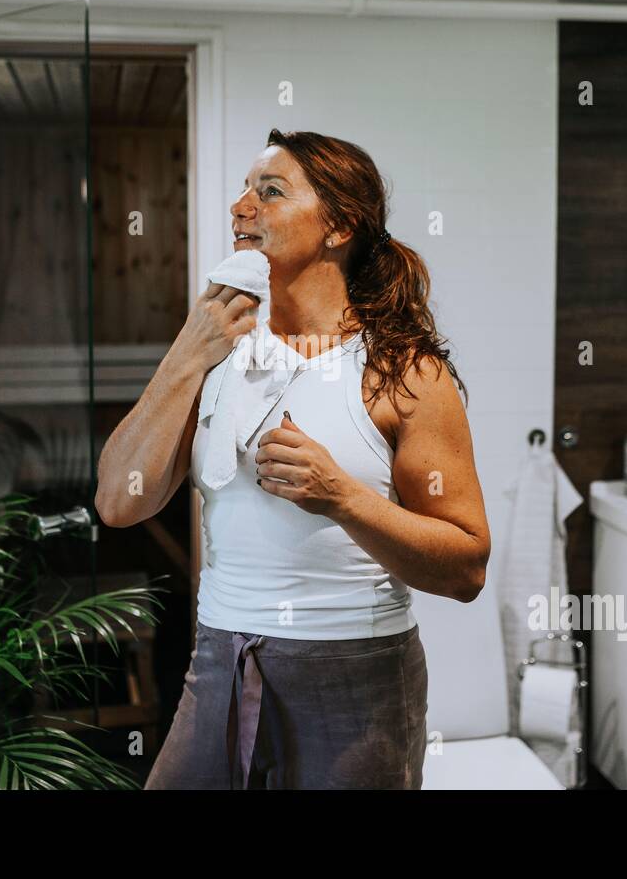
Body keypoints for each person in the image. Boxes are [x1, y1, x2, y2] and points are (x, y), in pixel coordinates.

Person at [95, 128, 490, 789]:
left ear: (337, 226)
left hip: (357, 676)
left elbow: (467, 567)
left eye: (269, 192)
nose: (240, 207)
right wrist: (186, 355)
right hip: (222, 658)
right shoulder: (217, 351)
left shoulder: (405, 374)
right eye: (245, 190)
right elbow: (118, 500)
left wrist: (343, 496)